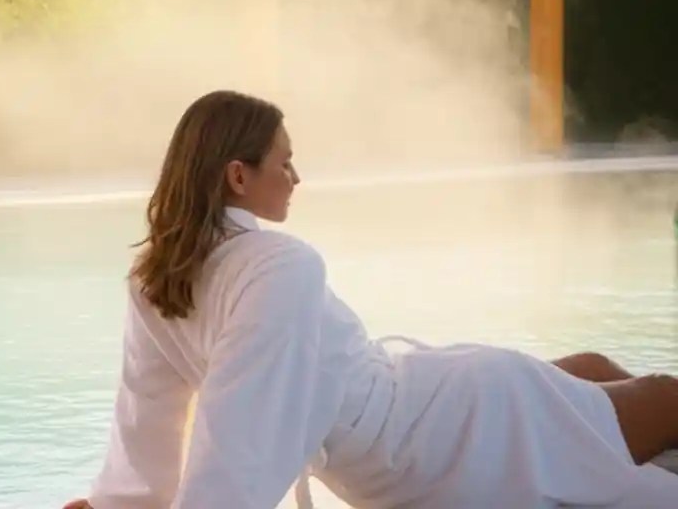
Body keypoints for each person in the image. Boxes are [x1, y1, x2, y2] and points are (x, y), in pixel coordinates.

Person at [64, 90, 678, 509]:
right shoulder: (279, 265)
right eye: (285, 162)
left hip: (426, 417)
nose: (296, 178)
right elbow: (243, 431)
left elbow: (147, 415)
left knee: (592, 367)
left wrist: (120, 505)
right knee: (665, 395)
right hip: (440, 442)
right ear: (238, 175)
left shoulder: (155, 278)